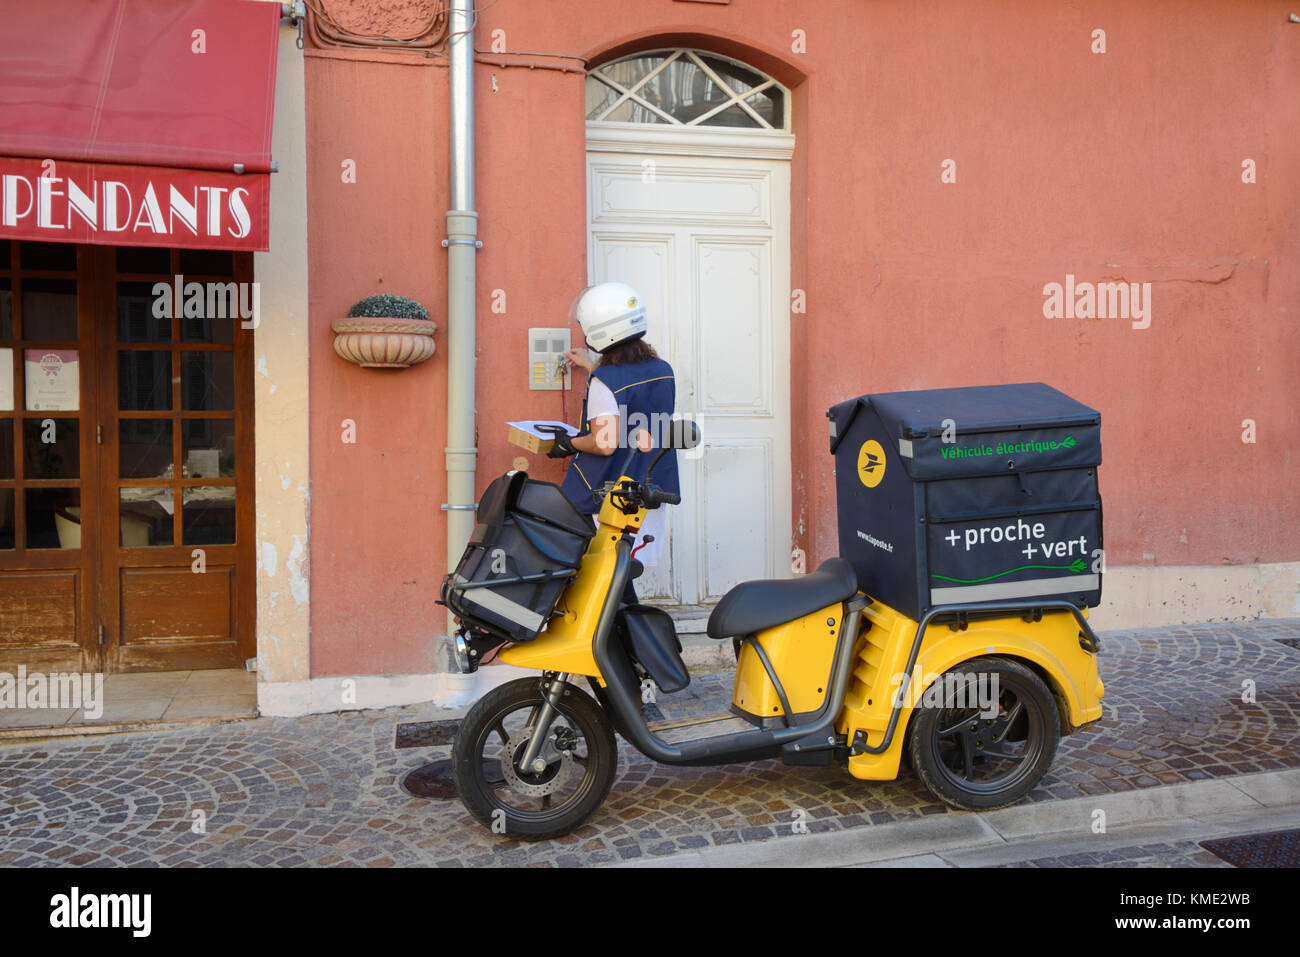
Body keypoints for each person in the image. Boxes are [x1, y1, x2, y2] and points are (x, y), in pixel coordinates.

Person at [544, 281, 680, 605]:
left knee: (602, 582)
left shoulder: (606, 381)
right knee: (618, 580)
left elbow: (604, 443)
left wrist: (570, 443)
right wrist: (592, 369)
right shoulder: (663, 370)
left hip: (611, 496)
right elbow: (632, 396)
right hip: (649, 486)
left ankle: (619, 649)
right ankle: (630, 650)